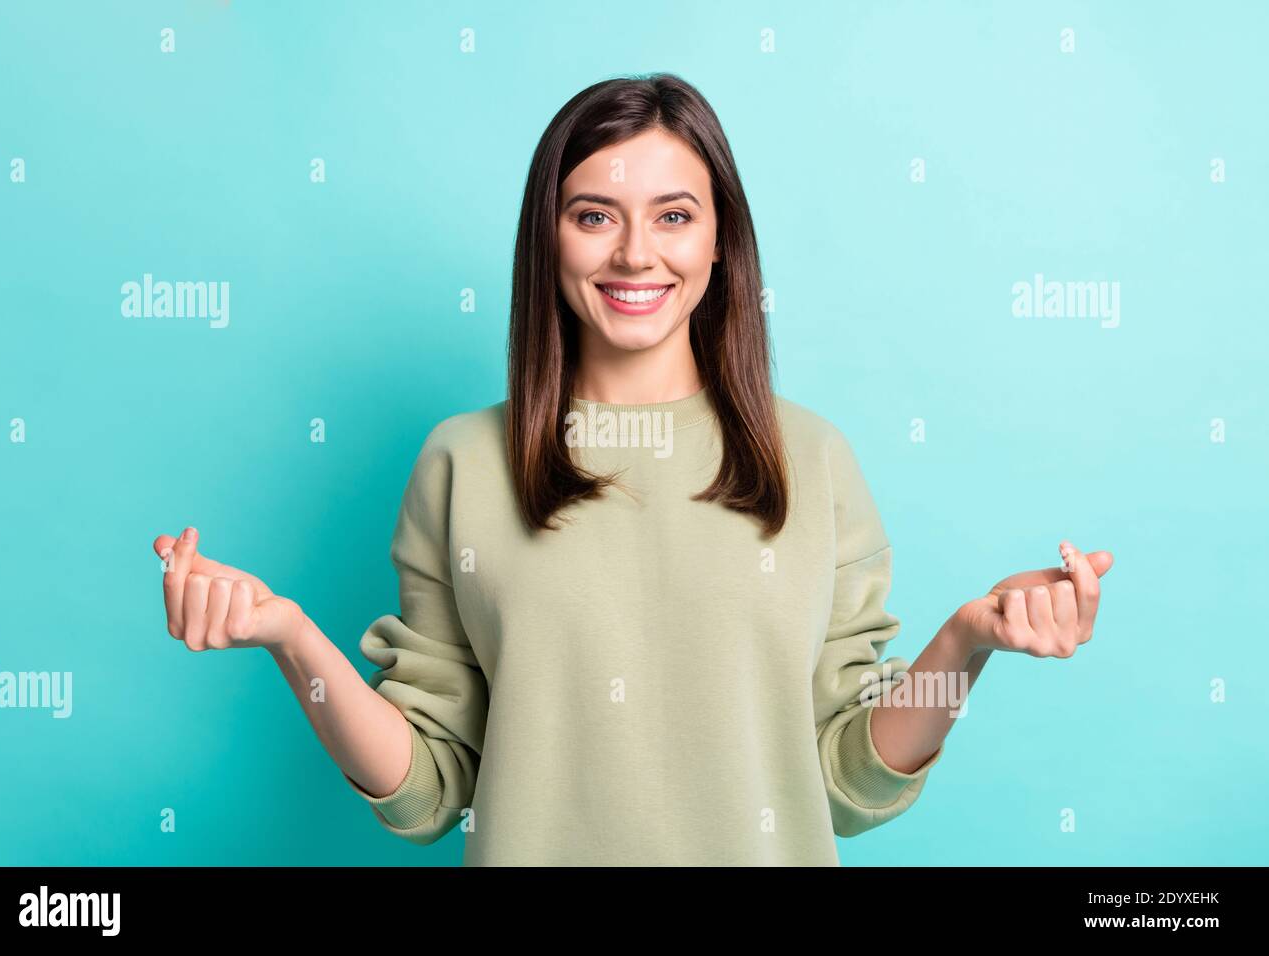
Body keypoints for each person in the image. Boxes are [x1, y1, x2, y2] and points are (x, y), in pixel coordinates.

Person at [150, 73, 1112, 866]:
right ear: (550, 236)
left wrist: (968, 643)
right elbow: (430, 790)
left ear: (720, 239)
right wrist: (290, 640)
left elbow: (848, 780)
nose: (636, 253)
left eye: (675, 215)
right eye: (595, 215)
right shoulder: (462, 462)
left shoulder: (810, 458)